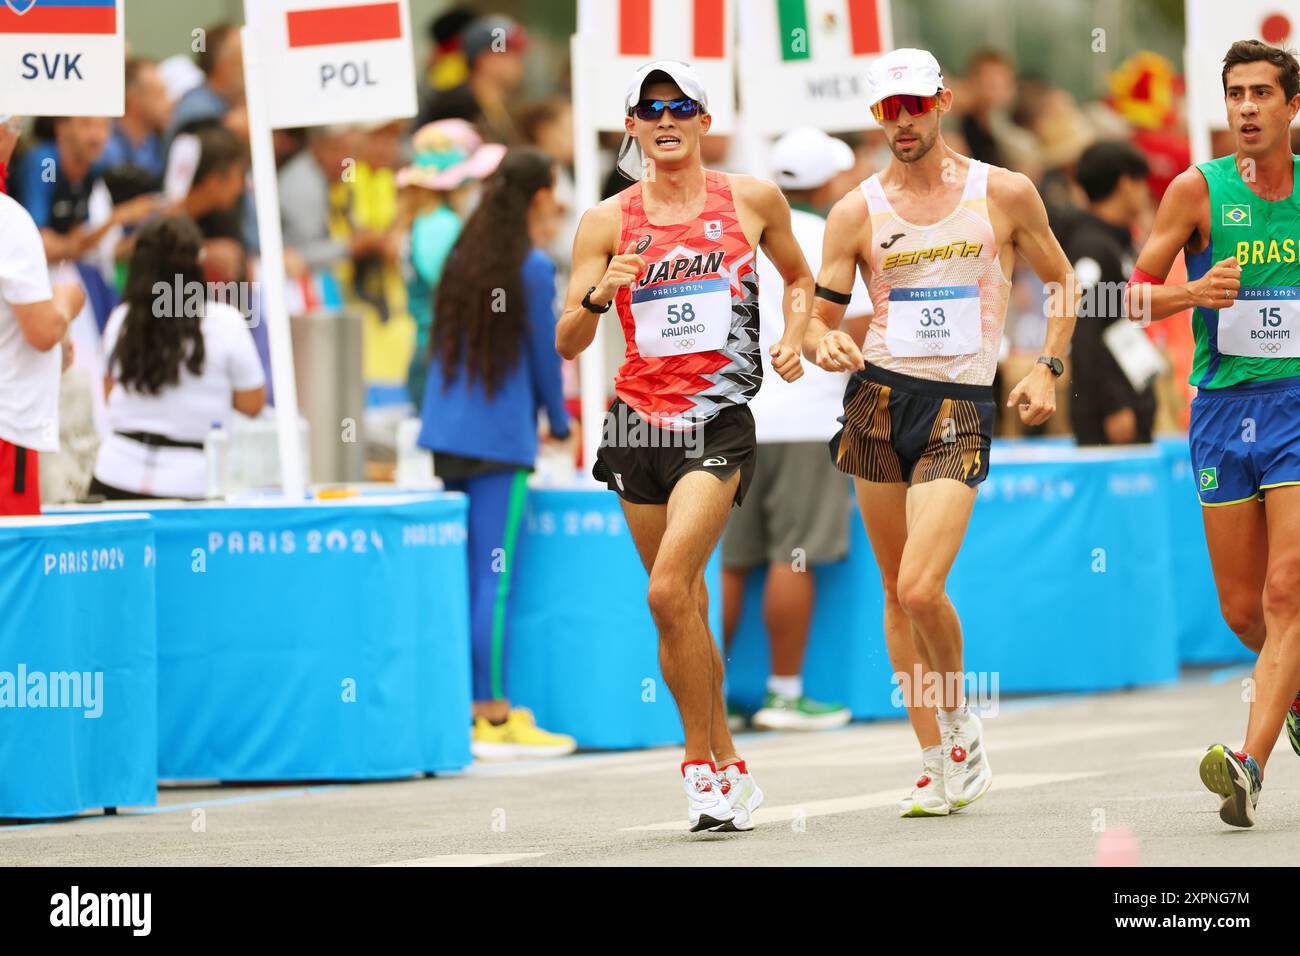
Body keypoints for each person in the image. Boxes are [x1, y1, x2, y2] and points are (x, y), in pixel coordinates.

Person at [807, 48, 1077, 818]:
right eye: (888, 110)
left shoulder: (1005, 190)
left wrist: (1048, 366)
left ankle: (960, 720)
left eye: (914, 106)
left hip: (960, 401)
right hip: (877, 400)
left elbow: (1062, 280)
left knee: (924, 586)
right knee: (895, 593)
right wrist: (822, 337)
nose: (902, 122)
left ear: (943, 102)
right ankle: (934, 759)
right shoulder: (856, 210)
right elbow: (822, 313)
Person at [556, 61, 813, 831]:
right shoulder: (606, 222)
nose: (665, 119)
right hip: (636, 424)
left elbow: (800, 279)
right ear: (631, 126)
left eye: (681, 107)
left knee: (668, 590)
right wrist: (601, 294)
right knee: (685, 606)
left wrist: (795, 335)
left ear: (706, 121)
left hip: (716, 421)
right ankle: (729, 761)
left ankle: (699, 769)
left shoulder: (752, 201)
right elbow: (568, 341)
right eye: (650, 109)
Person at [1127, 40, 1300, 828]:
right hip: (1224, 414)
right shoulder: (1196, 191)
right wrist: (1189, 292)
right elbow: (1127, 301)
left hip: (1296, 404)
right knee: (1242, 611)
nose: (1248, 108)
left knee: (1286, 590)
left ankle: (1248, 765)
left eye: (1263, 93)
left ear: (1292, 106)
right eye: (1236, 94)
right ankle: (1292, 694)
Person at [417, 147, 576, 761]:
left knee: (464, 578)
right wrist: (559, 423)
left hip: (449, 433)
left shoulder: (464, 255)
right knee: (494, 579)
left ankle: (462, 709)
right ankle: (492, 714)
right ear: (538, 196)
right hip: (498, 439)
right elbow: (544, 354)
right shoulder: (531, 267)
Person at [722, 127, 869, 732]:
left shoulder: (735, 236)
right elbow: (852, 334)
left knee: (732, 562)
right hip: (809, 419)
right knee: (794, 557)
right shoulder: (826, 238)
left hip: (732, 419)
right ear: (830, 182)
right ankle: (785, 693)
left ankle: (712, 696)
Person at [91, 216, 265, 500]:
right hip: (191, 486)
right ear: (196, 265)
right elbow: (252, 403)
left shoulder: (120, 320)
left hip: (114, 478)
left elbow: (110, 392)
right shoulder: (226, 321)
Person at [396, 119, 505, 410]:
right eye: (474, 180)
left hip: (436, 351)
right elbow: (459, 289)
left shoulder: (427, 222)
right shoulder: (440, 225)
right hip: (444, 353)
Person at [1066, 140, 1157, 446]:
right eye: (1141, 181)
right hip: (1110, 413)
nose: (1146, 192)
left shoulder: (1119, 243)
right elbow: (1084, 329)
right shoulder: (1091, 247)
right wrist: (1112, 405)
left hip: (1132, 397)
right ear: (1125, 183)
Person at [0, 188, 84, 515]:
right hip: (7, 431)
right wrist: (66, 300)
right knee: (12, 562)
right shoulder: (9, 219)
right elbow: (43, 332)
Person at [416, 15, 528, 144]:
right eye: (509, 53)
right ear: (485, 59)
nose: (520, 61)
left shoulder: (498, 104)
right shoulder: (457, 104)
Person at [101, 58, 172, 184]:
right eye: (160, 95)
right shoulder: (103, 147)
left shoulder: (155, 144)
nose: (169, 104)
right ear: (134, 101)